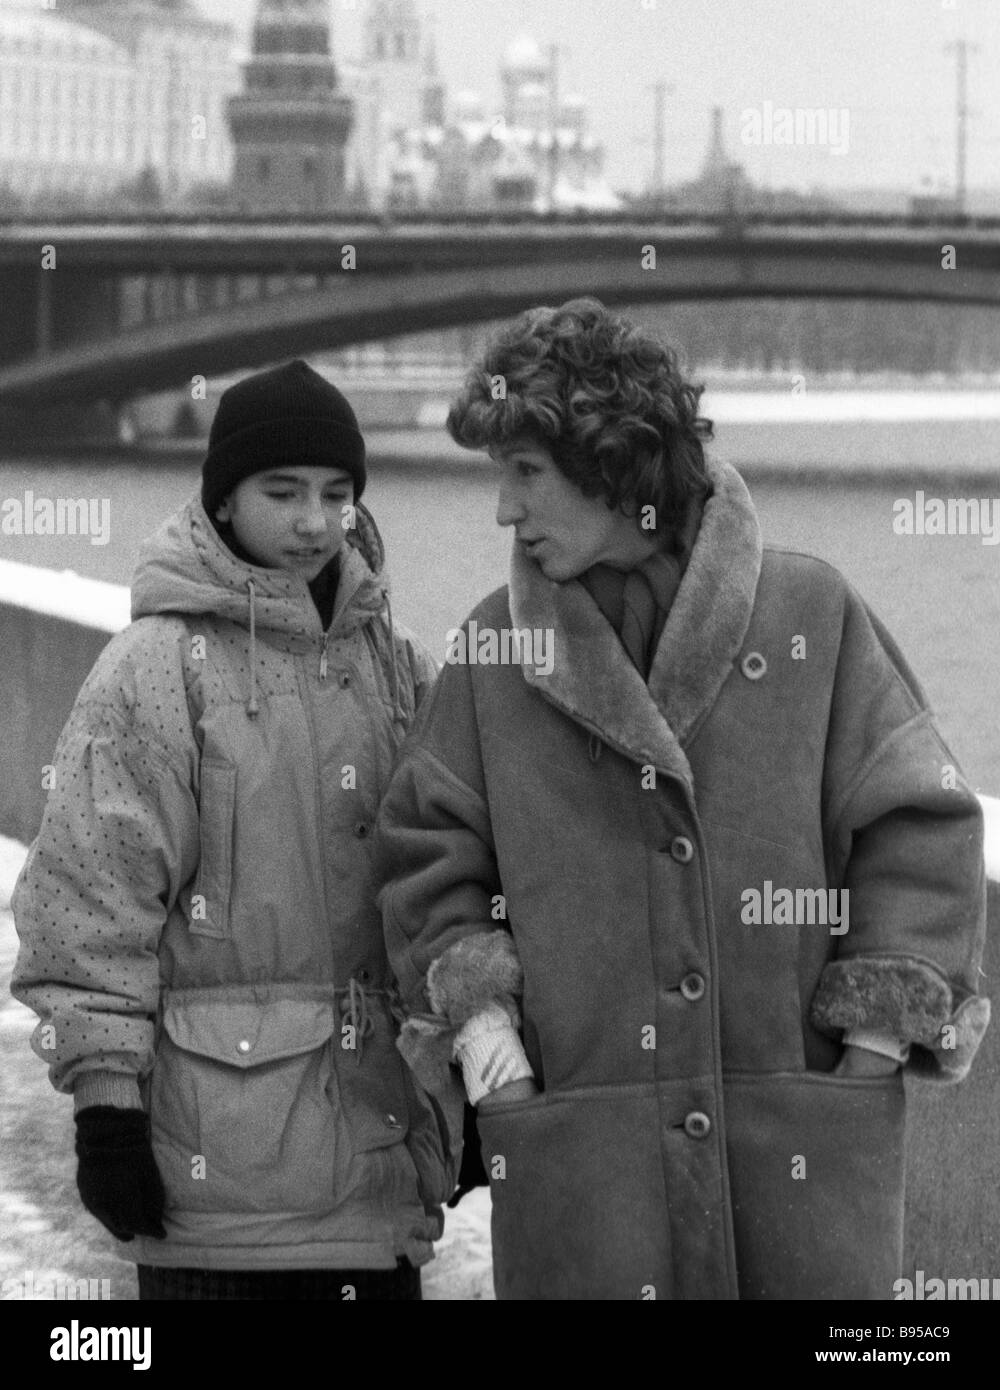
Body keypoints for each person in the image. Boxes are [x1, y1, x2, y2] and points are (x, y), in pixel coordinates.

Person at [373, 299, 990, 1301]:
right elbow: (423, 854)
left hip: (797, 1157)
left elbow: (920, 827)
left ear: (610, 463)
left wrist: (872, 1049)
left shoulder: (811, 617)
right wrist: (493, 1056)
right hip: (586, 1164)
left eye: (523, 473)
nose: (502, 510)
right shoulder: (494, 654)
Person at [11, 359, 454, 1300]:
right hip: (214, 1201)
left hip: (379, 1191)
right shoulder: (155, 670)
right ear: (223, 501)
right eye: (282, 491)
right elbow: (92, 901)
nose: (312, 521)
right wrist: (105, 1114)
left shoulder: (398, 664)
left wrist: (463, 1071)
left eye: (337, 495)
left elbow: (447, 881)